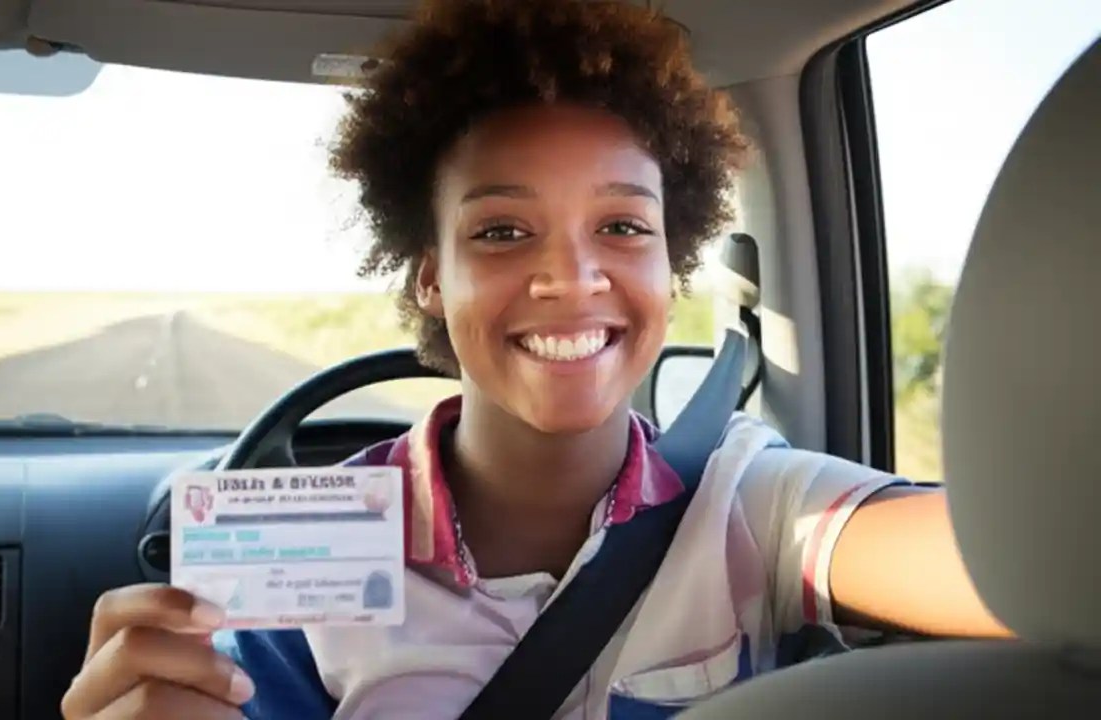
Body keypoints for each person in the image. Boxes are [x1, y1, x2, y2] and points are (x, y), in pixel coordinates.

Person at [60, 1, 1009, 718]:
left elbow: (1024, 571)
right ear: (432, 279)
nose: (571, 276)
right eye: (505, 230)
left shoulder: (753, 504)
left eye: (623, 226)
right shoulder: (309, 560)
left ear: (671, 264)